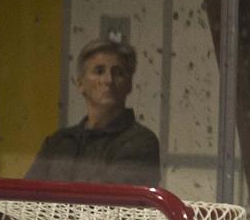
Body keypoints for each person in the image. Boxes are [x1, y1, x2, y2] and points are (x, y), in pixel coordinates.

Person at [26, 37, 162, 188]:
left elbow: (115, 202)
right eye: (99, 71)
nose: (108, 80)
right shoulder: (58, 142)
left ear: (129, 84)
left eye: (118, 73)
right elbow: (26, 197)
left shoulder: (141, 142)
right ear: (80, 83)